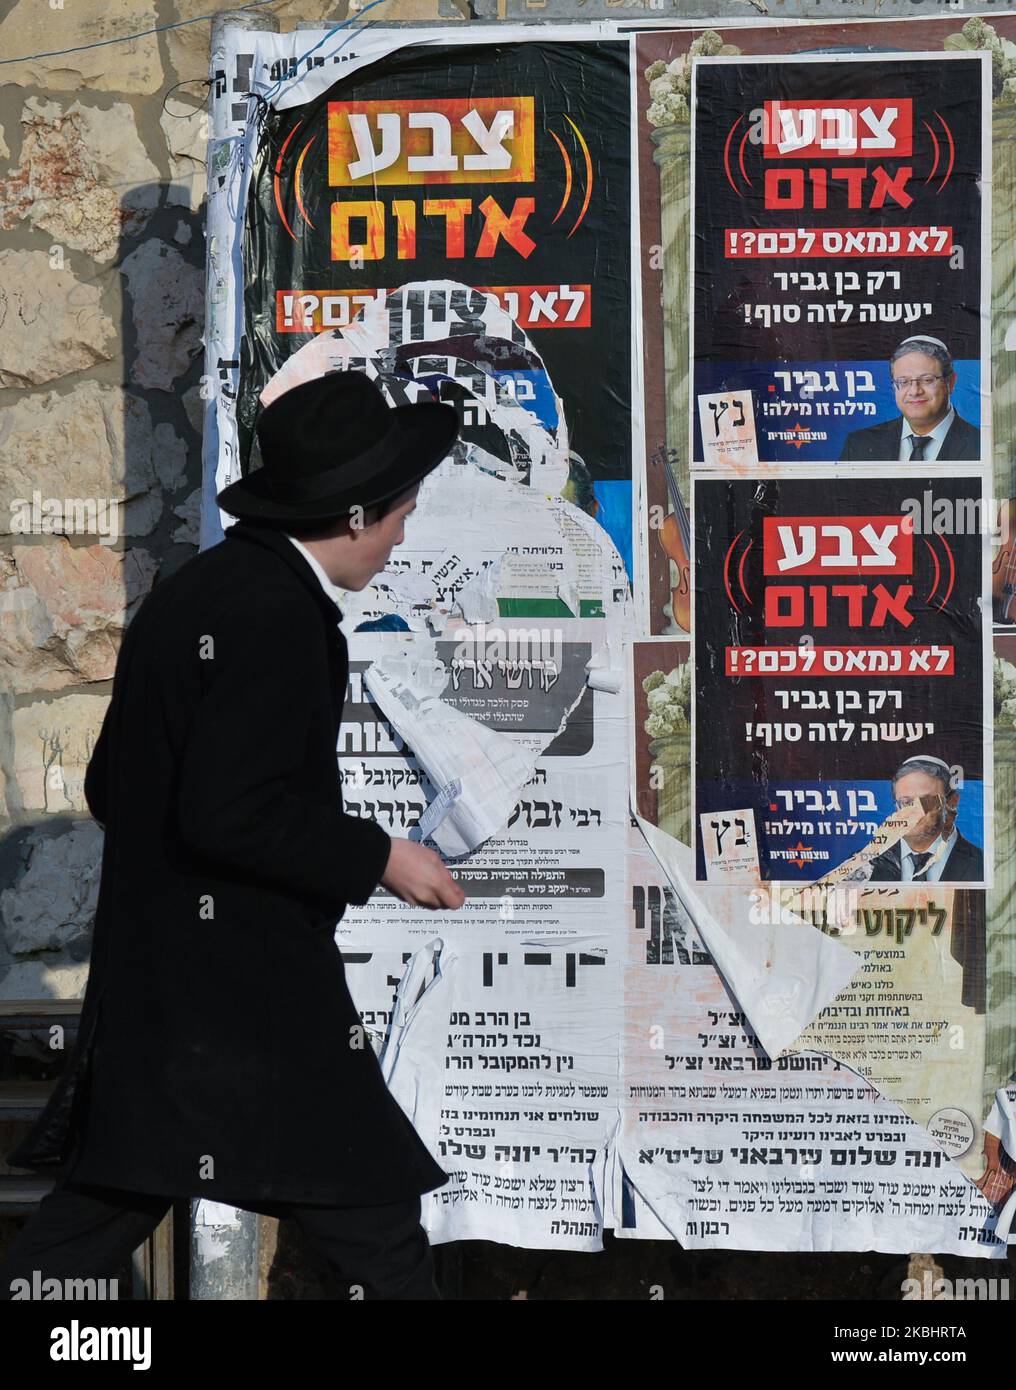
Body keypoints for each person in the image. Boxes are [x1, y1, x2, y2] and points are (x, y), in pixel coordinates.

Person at [0, 370, 467, 1301]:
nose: (402, 540)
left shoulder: (199, 592)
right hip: (251, 1003)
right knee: (374, 1219)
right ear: (355, 516)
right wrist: (381, 855)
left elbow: (112, 784)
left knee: (104, 1209)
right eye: (401, 518)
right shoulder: (276, 614)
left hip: (171, 999)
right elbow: (228, 810)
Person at [839, 336, 980, 462]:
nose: (915, 391)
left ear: (950, 383)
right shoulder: (859, 444)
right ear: (894, 387)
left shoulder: (982, 445)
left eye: (927, 380)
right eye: (904, 382)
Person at [866, 755, 984, 882]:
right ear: (896, 806)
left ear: (952, 802)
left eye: (925, 801)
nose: (914, 812)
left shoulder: (984, 863)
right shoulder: (865, 863)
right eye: (906, 802)